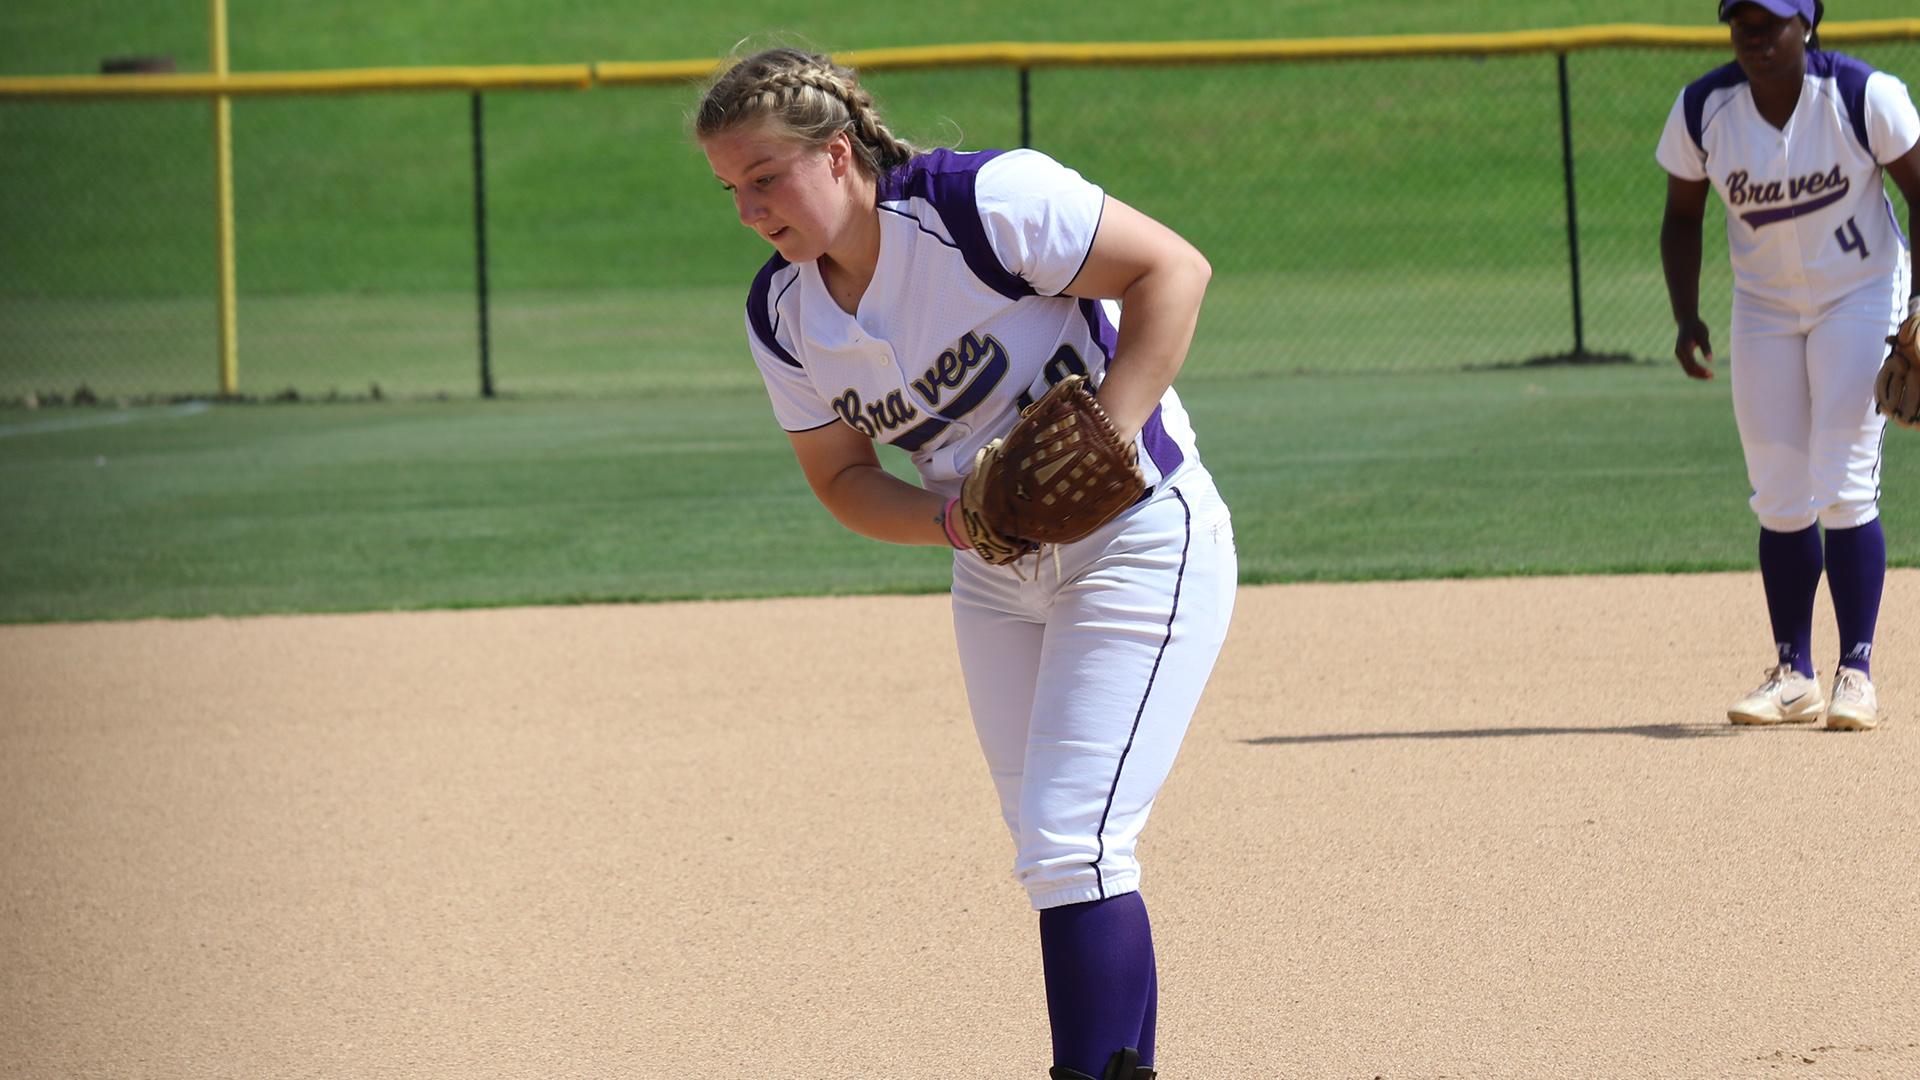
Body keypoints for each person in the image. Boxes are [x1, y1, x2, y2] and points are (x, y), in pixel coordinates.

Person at [694, 46, 1236, 1080]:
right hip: (996, 577)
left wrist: (1107, 437)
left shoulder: (980, 203)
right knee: (1059, 857)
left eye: (766, 177)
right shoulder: (785, 316)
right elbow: (842, 479)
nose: (750, 209)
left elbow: (1174, 268)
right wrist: (954, 526)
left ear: (837, 153)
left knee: (1071, 838)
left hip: (1138, 537)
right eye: (731, 189)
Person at [1658, 0, 1920, 729]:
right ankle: (1793, 673)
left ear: (1806, 23)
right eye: (1740, 18)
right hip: (1765, 308)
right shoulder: (1705, 108)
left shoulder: (1864, 97)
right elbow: (1682, 215)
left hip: (1862, 296)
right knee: (1777, 492)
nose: (1753, 34)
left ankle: (1856, 672)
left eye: (1769, 20)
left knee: (1840, 480)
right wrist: (1686, 316)